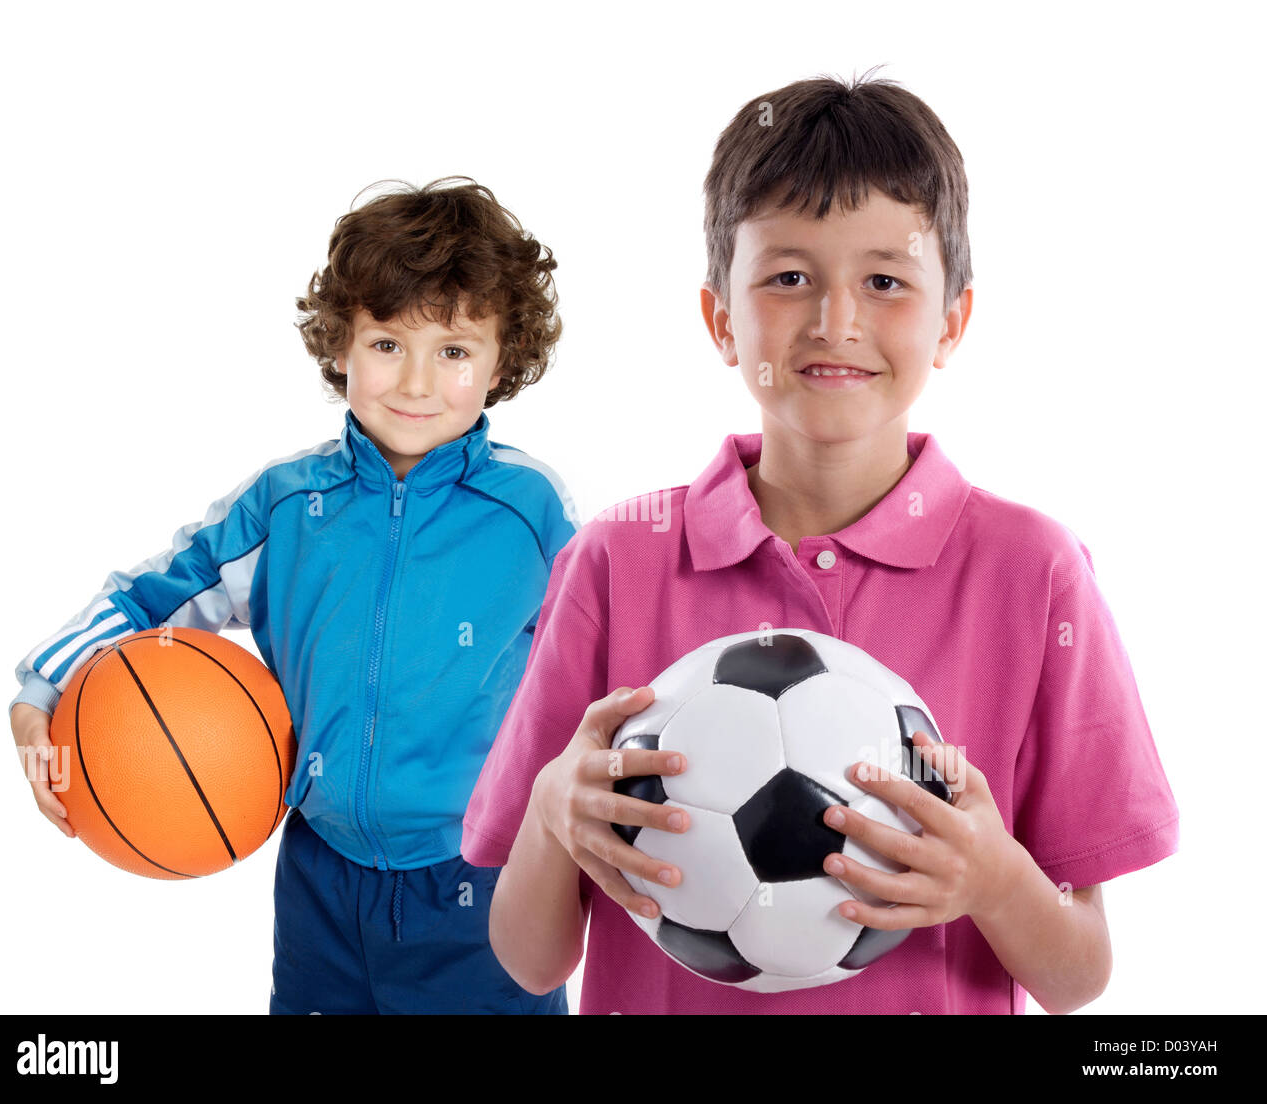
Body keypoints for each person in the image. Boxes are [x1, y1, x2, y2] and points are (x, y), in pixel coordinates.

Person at [461, 71, 1180, 1015]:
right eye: (789, 276)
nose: (836, 321)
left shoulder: (1033, 571)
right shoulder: (616, 559)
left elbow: (1079, 975)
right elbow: (530, 959)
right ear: (722, 317)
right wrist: (557, 810)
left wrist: (994, 881)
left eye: (885, 281)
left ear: (951, 320)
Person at [9, 177, 577, 1015]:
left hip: (483, 881)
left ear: (502, 363)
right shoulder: (285, 506)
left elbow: (603, 655)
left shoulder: (531, 512)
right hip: (320, 884)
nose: (416, 381)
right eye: (387, 343)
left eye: (454, 351)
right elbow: (145, 600)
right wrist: (41, 689)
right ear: (341, 344)